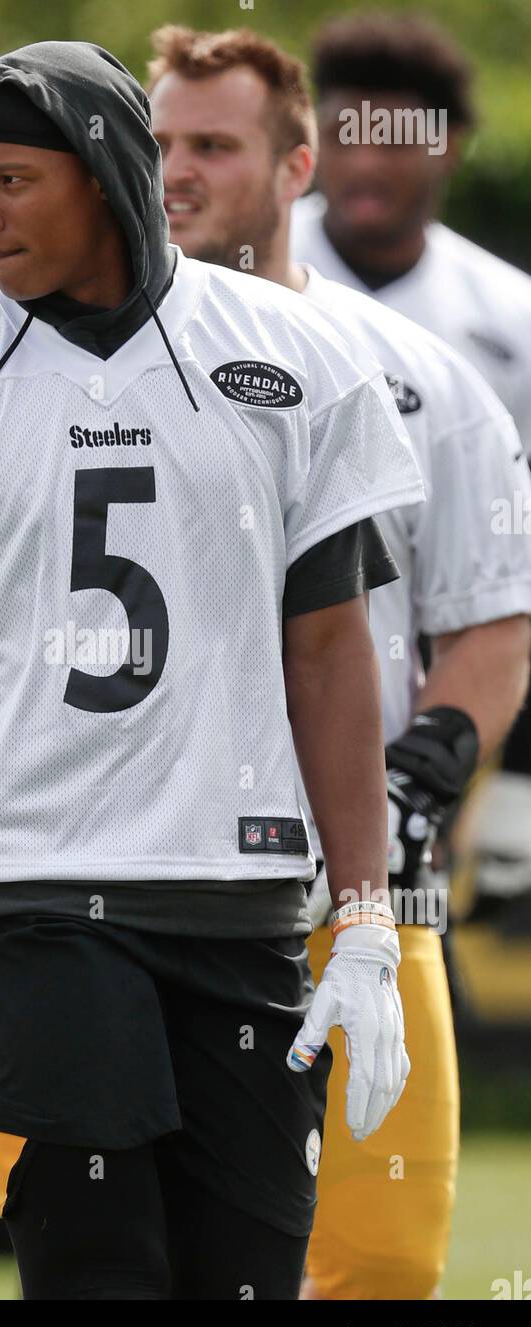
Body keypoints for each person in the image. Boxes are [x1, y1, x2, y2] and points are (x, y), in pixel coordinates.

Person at [0, 40, 425, 1300]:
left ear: (108, 174)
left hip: (237, 896)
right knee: (99, 1265)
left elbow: (326, 645)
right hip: (31, 889)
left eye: (12, 177)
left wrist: (361, 919)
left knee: (241, 1277)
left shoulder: (292, 358)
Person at [146, 21, 531, 1299]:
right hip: (140, 882)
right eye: (155, 143)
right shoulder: (56, 357)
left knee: (375, 1279)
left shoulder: (436, 367)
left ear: (290, 164)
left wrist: (434, 761)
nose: (174, 174)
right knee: (128, 1257)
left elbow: (492, 606)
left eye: (211, 144)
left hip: (362, 891)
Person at [290, 11, 531, 926]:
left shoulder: (507, 318)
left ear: (452, 148)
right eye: (348, 132)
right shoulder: (239, 285)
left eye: (400, 138)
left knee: (398, 917)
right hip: (260, 652)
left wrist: (516, 771)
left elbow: (518, 562)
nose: (370, 163)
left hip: (435, 676)